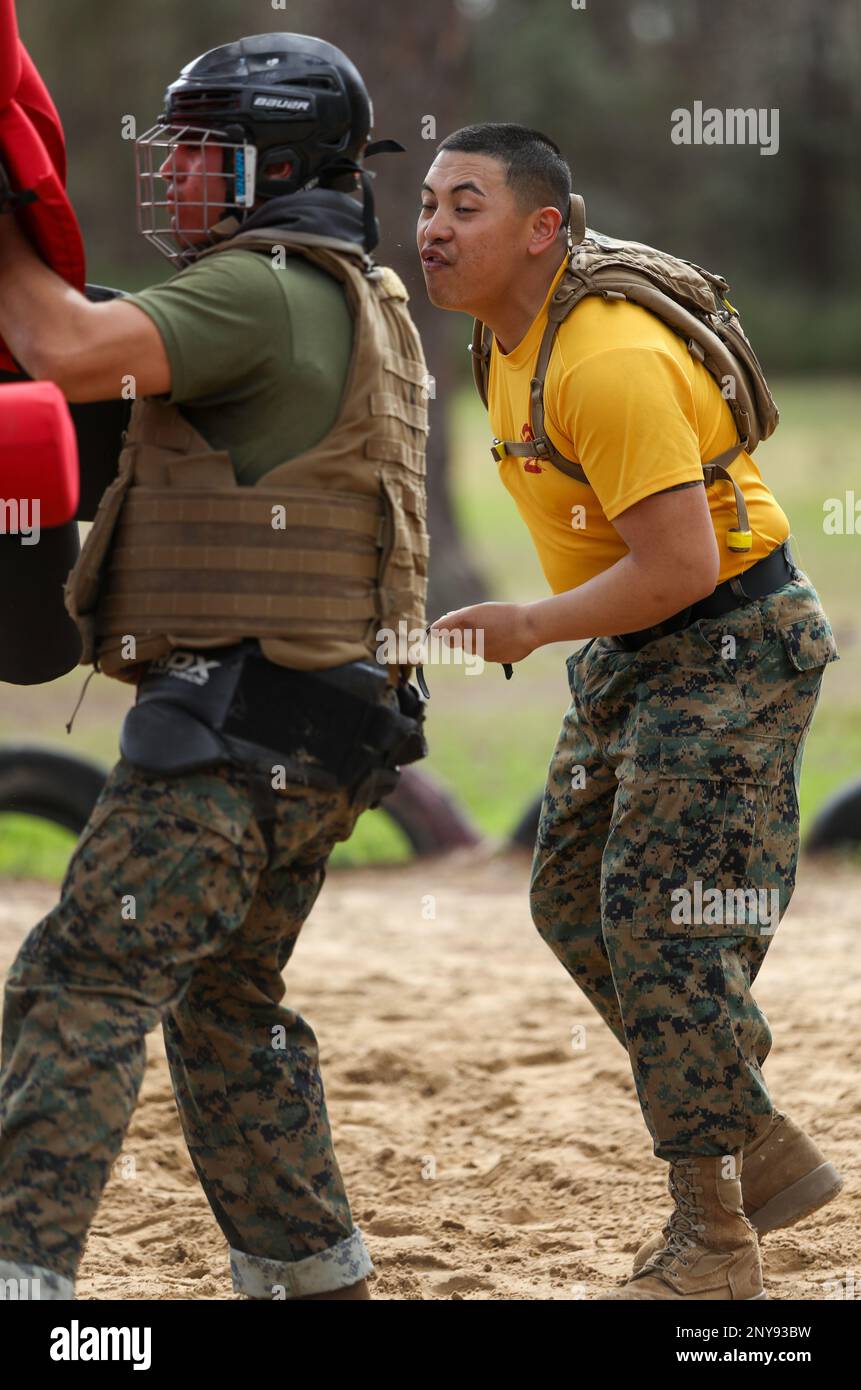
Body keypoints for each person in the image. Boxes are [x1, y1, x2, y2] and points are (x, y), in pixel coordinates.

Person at [0, 32, 430, 1302]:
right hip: (323, 738)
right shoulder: (359, 293)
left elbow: (65, 347)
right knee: (226, 1006)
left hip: (232, 737)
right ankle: (313, 1271)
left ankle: (21, 1274)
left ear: (277, 166)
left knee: (81, 980)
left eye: (202, 150)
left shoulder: (263, 286)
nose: (176, 171)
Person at [417, 121, 842, 1301]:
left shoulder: (605, 357)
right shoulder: (504, 343)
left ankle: (714, 1242)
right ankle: (755, 1137)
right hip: (636, 649)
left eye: (467, 206)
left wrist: (529, 624)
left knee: (661, 925)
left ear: (544, 229)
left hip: (730, 641)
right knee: (570, 899)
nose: (434, 229)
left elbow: (682, 564)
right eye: (429, 205)